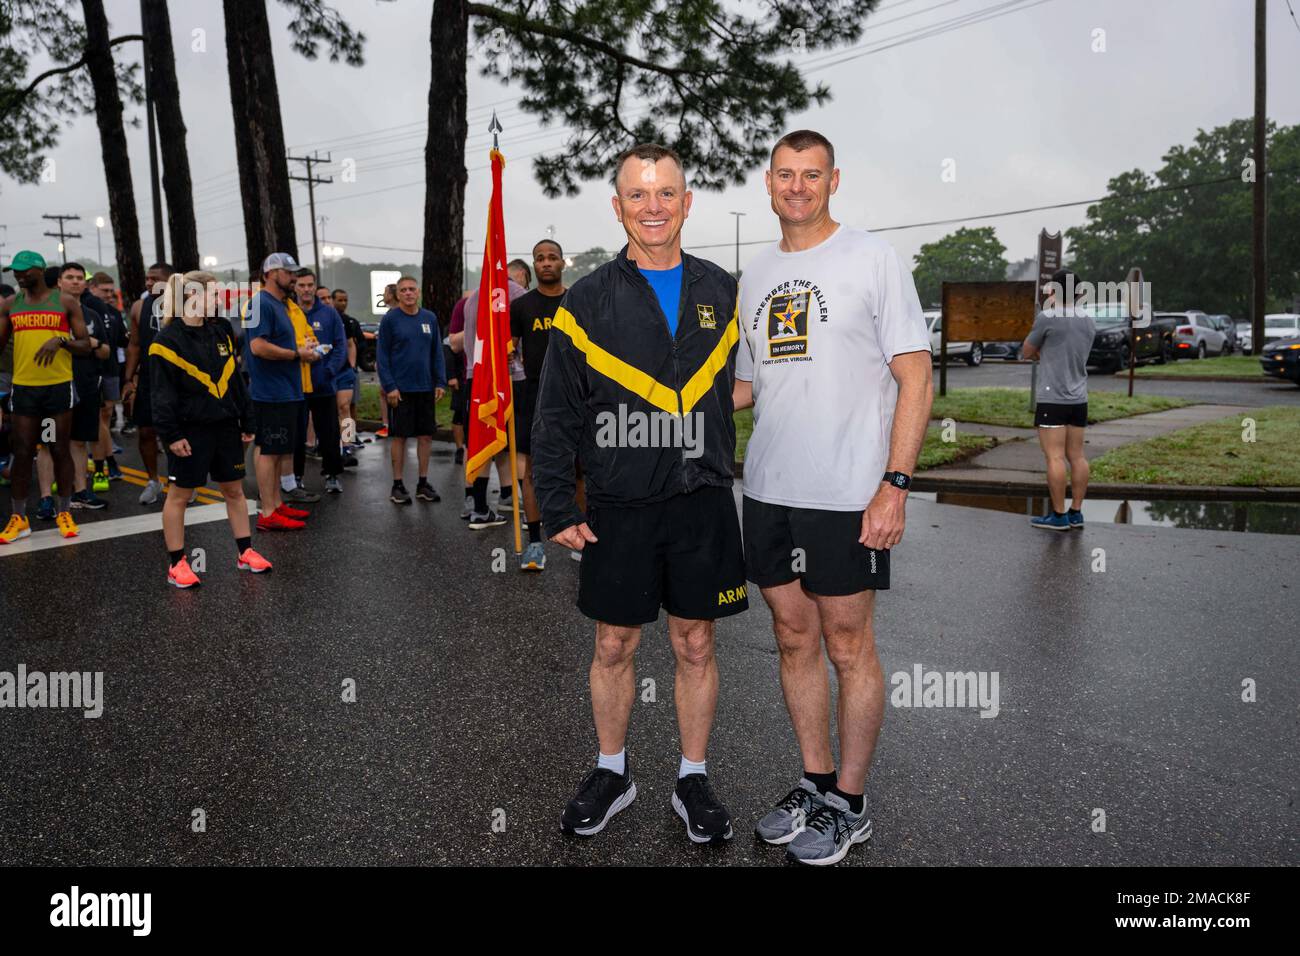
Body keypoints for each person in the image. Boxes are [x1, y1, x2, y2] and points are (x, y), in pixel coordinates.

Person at [533, 143, 747, 844]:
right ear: (617, 205)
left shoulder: (724, 289)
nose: (652, 207)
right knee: (615, 643)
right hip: (621, 505)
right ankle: (612, 771)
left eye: (666, 194)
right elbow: (557, 414)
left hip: (703, 499)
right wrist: (558, 505)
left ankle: (693, 778)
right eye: (637, 194)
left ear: (687, 203)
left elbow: (745, 385)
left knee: (694, 643)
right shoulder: (586, 300)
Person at [734, 130, 933, 866]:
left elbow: (916, 375)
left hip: (849, 491)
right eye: (785, 174)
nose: (796, 186)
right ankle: (814, 782)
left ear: (833, 180)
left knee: (848, 644)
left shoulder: (873, 260)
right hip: (768, 488)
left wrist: (895, 485)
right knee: (792, 637)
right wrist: (664, 401)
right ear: (768, 181)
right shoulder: (752, 275)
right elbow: (750, 385)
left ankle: (850, 803)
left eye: (810, 175)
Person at [150, 270, 271, 586]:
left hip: (226, 427)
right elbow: (161, 396)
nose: (221, 301)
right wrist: (172, 435)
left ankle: (245, 553)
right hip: (190, 431)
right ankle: (177, 564)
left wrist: (248, 419)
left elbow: (235, 381)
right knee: (179, 495)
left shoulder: (222, 330)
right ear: (192, 295)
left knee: (234, 490)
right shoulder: (166, 341)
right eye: (215, 295)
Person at [0, 250, 94, 543]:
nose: (19, 276)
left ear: (40, 271)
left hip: (56, 387)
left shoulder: (64, 301)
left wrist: (61, 341)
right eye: (15, 271)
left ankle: (64, 512)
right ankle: (19, 518)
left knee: (57, 447)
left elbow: (85, 345)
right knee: (23, 450)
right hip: (25, 388)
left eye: (25, 271)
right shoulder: (10, 304)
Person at [242, 252, 318, 531]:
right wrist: (296, 355)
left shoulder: (279, 303)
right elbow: (257, 347)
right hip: (270, 391)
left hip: (285, 389)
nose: (294, 278)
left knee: (277, 450)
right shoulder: (260, 303)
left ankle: (275, 503)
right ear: (271, 274)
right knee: (270, 451)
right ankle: (268, 511)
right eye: (288, 273)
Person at [453, 264, 529, 527]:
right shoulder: (516, 292)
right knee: (518, 445)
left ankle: (479, 506)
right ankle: (526, 505)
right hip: (509, 377)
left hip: (477, 378)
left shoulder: (473, 296)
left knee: (482, 441)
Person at [509, 239, 568, 571]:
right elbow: (510, 347)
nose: (546, 263)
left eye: (552, 258)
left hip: (574, 396)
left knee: (579, 471)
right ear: (533, 266)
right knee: (530, 472)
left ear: (562, 263)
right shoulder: (522, 306)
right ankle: (534, 544)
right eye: (540, 259)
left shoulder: (576, 301)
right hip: (534, 395)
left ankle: (584, 540)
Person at [1022, 268, 1095, 531]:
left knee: (1054, 457)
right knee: (1077, 456)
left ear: (1054, 290)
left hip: (1053, 399)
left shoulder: (1047, 317)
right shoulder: (1088, 320)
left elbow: (1026, 351)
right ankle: (1076, 512)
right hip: (1079, 398)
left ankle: (1058, 515)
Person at [376, 275, 446, 504]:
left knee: (426, 436)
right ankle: (397, 484)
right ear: (397, 294)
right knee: (400, 437)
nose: (408, 293)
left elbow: (437, 352)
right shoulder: (390, 319)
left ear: (418, 292)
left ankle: (423, 483)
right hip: (400, 390)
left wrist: (440, 381)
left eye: (411, 289)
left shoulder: (429, 318)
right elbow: (382, 356)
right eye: (403, 290)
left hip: (425, 387)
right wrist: (390, 386)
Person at [59, 263, 111, 510]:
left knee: (79, 441)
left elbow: (106, 351)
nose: (76, 281)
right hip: (53, 386)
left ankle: (81, 491)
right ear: (59, 282)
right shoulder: (49, 312)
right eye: (70, 277)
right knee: (50, 444)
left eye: (80, 278)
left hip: (87, 385)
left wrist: (90, 343)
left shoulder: (92, 315)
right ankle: (49, 497)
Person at [122, 262, 173, 504]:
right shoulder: (139, 306)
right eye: (147, 279)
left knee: (177, 433)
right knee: (146, 431)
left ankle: (181, 481)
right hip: (149, 380)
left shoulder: (186, 306)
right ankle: (153, 480)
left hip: (177, 381)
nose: (148, 283)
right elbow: (134, 345)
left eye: (154, 279)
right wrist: (129, 379)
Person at [294, 271, 347, 494]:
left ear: (315, 287)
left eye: (310, 285)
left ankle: (333, 474)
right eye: (301, 285)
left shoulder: (329, 313)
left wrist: (329, 370)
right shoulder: (289, 312)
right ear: (295, 287)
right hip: (296, 385)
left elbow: (341, 345)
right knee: (297, 433)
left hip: (324, 384)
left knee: (331, 430)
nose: (306, 289)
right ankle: (295, 477)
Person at [88, 271, 127, 480]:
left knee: (105, 417)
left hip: (112, 369)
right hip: (93, 371)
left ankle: (106, 461)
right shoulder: (86, 308)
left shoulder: (113, 312)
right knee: (98, 420)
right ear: (92, 287)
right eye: (105, 290)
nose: (110, 295)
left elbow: (122, 340)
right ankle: (104, 464)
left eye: (112, 291)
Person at [331, 288, 363, 466]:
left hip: (344, 370)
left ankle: (347, 445)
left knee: (345, 407)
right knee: (330, 410)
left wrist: (351, 366)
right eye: (338, 300)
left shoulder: (346, 320)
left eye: (345, 300)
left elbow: (351, 343)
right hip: (327, 371)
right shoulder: (323, 318)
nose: (342, 303)